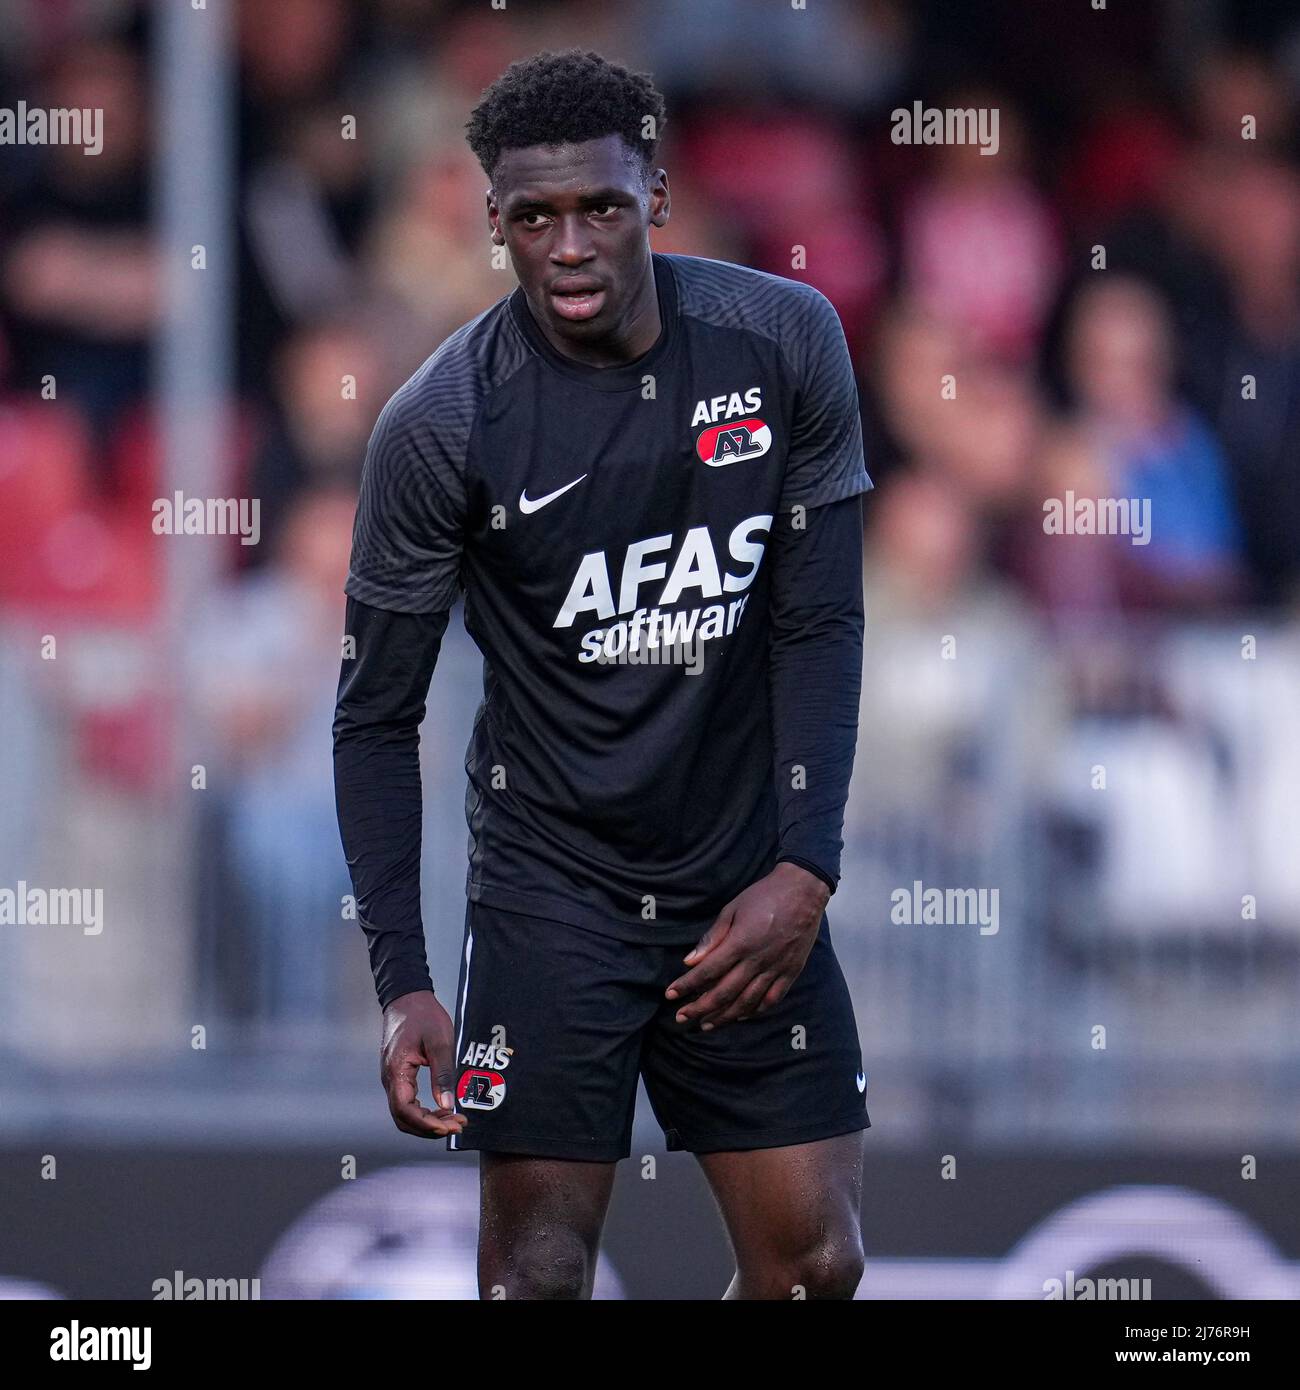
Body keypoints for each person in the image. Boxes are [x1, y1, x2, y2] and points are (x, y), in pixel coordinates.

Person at [333, 48, 872, 1300]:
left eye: (600, 209)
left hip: (745, 880)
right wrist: (404, 981)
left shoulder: (784, 341)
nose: (568, 244)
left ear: (658, 199)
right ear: (493, 224)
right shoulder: (441, 425)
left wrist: (805, 865)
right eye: (533, 217)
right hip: (551, 895)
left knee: (817, 1267)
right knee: (537, 1278)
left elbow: (820, 625)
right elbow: (375, 718)